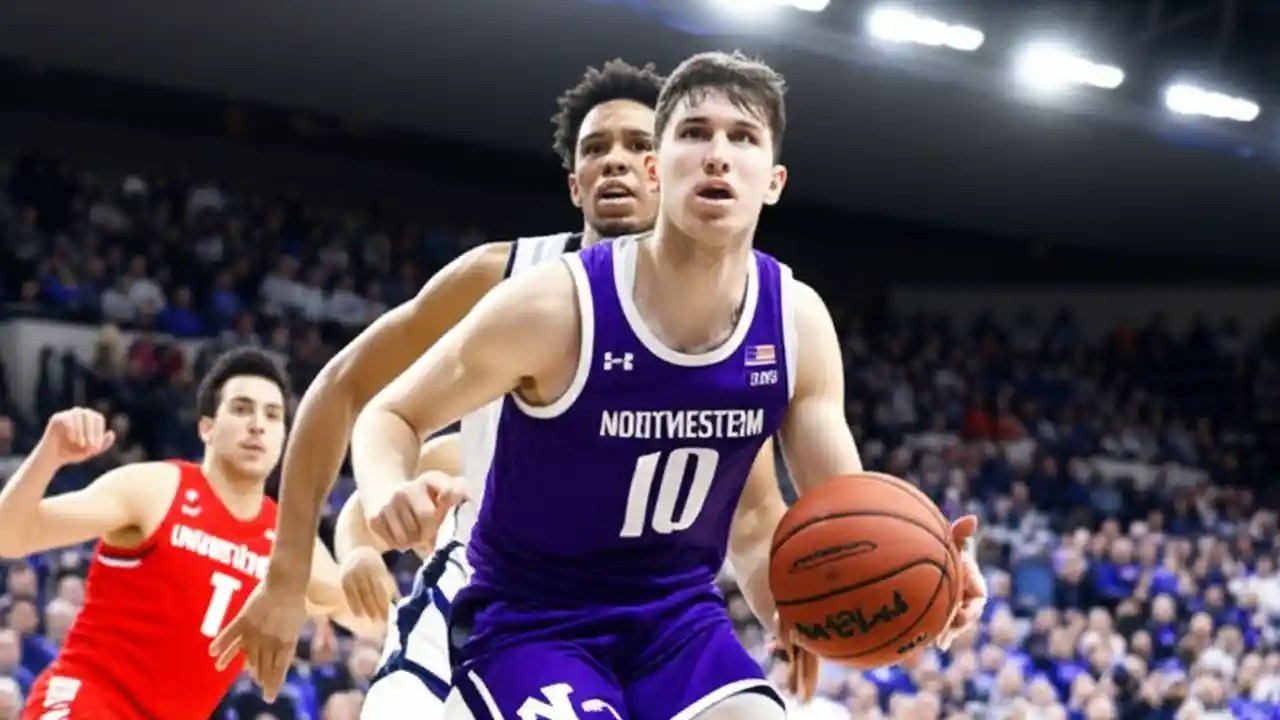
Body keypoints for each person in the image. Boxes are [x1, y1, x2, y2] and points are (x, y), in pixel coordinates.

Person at [345, 51, 985, 719]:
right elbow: (389, 413)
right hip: (531, 620)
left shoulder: (797, 321)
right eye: (693, 133)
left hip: (678, 621)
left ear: (774, 180)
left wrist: (930, 573)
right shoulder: (554, 307)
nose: (718, 155)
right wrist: (388, 488)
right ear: (657, 167)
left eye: (743, 138)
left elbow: (843, 518)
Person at [214, 59, 816, 713]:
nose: (615, 162)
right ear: (574, 184)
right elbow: (342, 389)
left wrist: (799, 607)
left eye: (639, 144)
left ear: (666, 167)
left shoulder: (721, 325)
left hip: (648, 614)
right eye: (595, 149)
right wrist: (286, 574)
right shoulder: (503, 277)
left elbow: (754, 510)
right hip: (494, 595)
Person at [0, 348, 374, 719]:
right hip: (89, 700)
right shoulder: (155, 488)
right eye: (242, 409)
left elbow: (377, 621)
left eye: (272, 415)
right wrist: (50, 453)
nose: (258, 424)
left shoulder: (289, 543)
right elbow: (9, 536)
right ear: (206, 428)